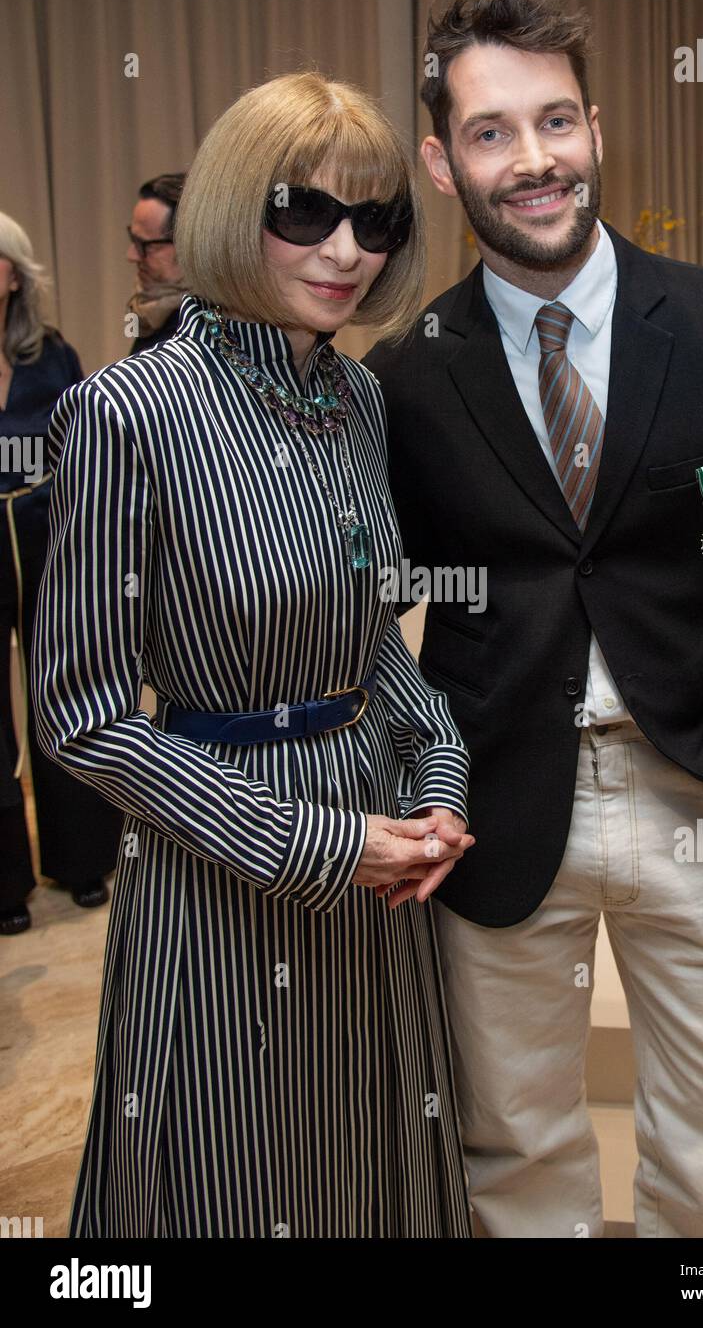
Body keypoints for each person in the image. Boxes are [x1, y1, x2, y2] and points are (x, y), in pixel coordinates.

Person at [364, 0, 703, 1238]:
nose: (533, 161)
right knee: (512, 1136)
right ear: (440, 158)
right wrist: (419, 770)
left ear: (592, 127)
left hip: (693, 784)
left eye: (555, 122)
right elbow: (379, 599)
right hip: (495, 798)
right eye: (490, 131)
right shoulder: (407, 376)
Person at [32, 71, 475, 1237]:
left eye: (376, 222)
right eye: (305, 212)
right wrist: (312, 843)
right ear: (236, 208)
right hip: (225, 863)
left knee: (363, 1166)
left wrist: (437, 788)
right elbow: (80, 711)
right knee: (236, 1174)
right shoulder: (129, 413)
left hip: (377, 857)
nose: (346, 251)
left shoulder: (359, 402)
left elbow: (371, 638)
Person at [0, 211, 122, 934]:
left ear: (13, 272)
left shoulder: (50, 353)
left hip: (45, 530)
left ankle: (80, 860)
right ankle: (4, 881)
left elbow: (75, 447)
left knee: (61, 691)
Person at [125, 173, 187, 354]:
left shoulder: (210, 327)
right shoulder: (149, 309)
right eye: (133, 239)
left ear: (187, 246)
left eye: (145, 245)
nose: (131, 256)